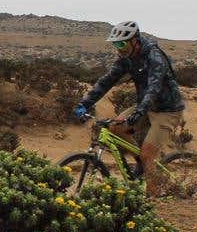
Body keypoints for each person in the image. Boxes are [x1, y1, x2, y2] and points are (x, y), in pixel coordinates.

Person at [73, 21, 186, 194]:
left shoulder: (154, 56)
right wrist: (85, 103)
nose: (118, 48)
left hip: (167, 110)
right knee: (115, 128)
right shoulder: (126, 59)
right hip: (146, 106)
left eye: (121, 43)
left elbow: (153, 88)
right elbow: (106, 81)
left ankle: (153, 201)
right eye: (115, 44)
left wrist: (141, 110)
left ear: (135, 40)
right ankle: (141, 163)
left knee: (148, 155)